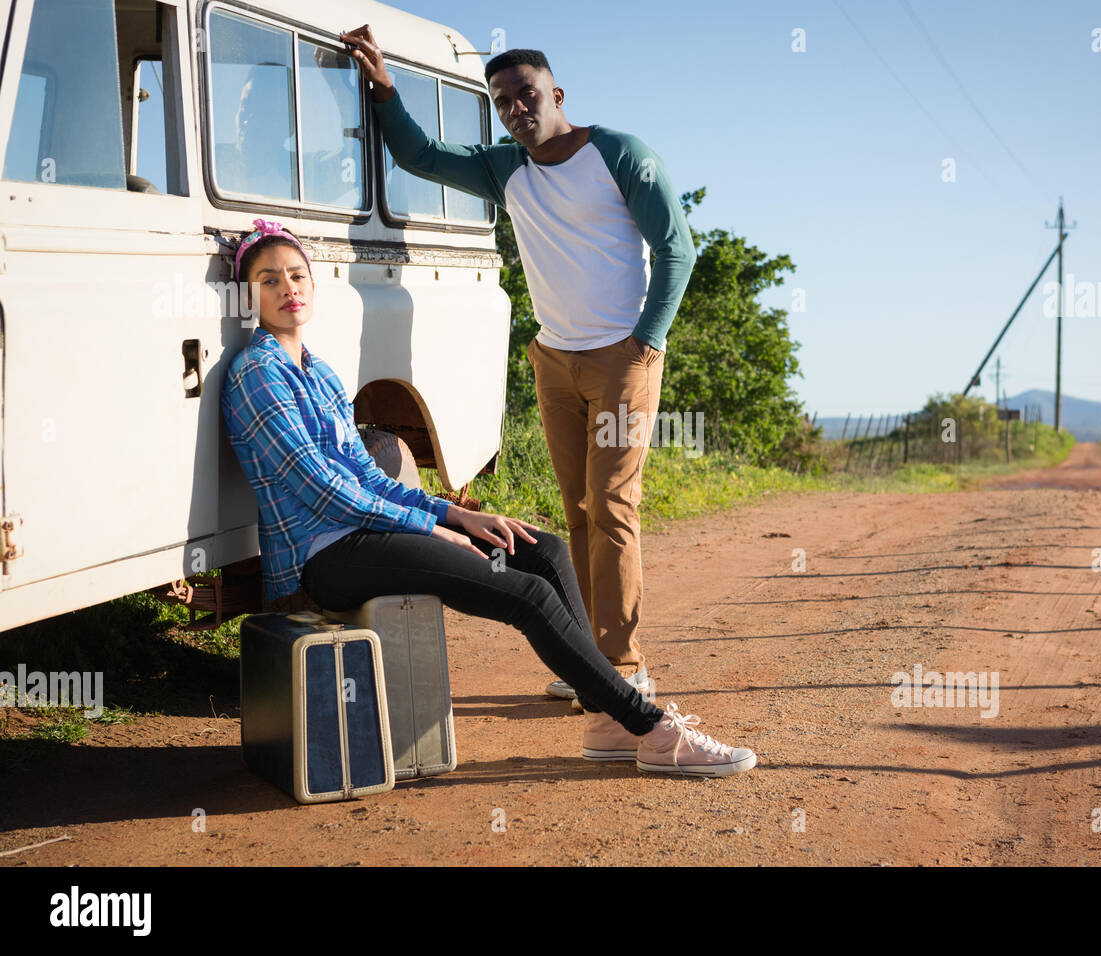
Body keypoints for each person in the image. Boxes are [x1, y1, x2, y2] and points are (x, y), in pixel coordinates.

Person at [219, 220, 755, 777]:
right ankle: (651, 730)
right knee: (525, 595)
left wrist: (455, 514)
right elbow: (322, 489)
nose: (288, 288)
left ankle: (605, 720)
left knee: (541, 549)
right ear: (248, 294)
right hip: (323, 557)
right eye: (269, 280)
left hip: (365, 533)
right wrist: (429, 530)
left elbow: (364, 475)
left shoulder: (319, 372)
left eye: (297, 275)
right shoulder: (258, 373)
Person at [340, 26, 693, 710]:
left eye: (526, 95)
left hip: (623, 358)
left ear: (555, 93)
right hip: (554, 359)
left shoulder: (620, 154)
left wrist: (644, 345)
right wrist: (383, 87)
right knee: (580, 510)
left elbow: (676, 250)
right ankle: (589, 655)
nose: (516, 109)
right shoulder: (507, 168)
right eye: (502, 101)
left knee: (614, 507)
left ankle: (624, 664)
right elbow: (418, 155)